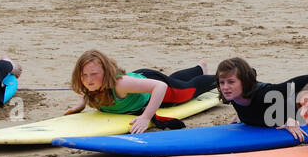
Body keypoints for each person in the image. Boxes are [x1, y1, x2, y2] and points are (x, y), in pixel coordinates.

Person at [65, 51, 215, 132]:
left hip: (155, 89)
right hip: (141, 81)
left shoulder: (120, 84)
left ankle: (218, 78)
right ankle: (199, 68)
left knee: (188, 90)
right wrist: (81, 105)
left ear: (106, 72)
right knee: (175, 81)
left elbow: (160, 87)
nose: (88, 79)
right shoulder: (89, 83)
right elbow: (86, 91)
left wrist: (145, 117)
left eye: (93, 74)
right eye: (84, 75)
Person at [215, 57, 308, 137]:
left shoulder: (266, 94)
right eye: (222, 82)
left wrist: (292, 116)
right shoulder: (234, 96)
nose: (225, 87)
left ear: (244, 81)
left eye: (231, 82)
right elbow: (252, 71)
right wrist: (243, 114)